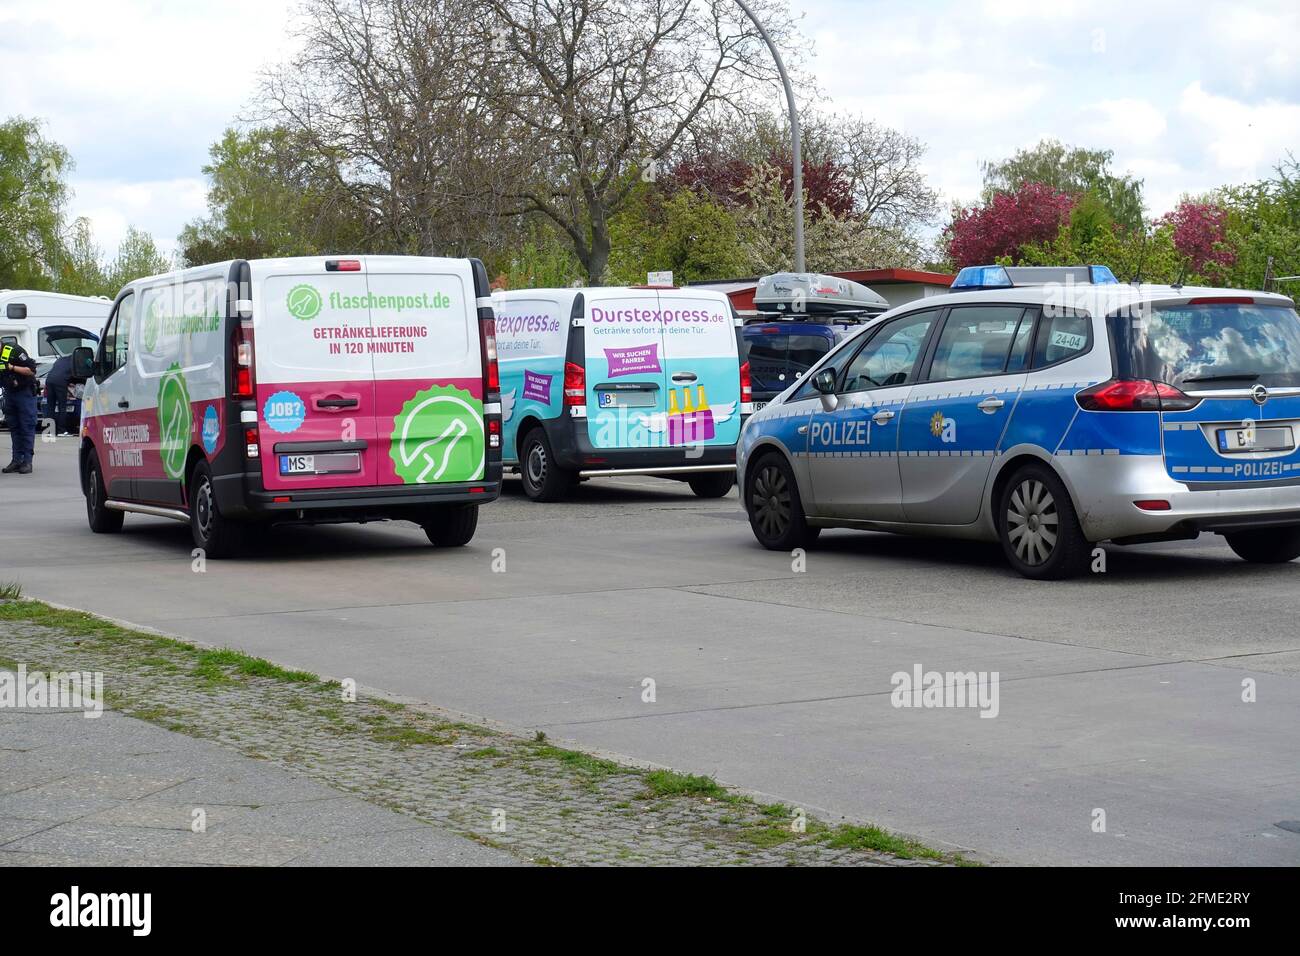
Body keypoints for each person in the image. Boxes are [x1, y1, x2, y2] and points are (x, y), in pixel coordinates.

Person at [1, 340, 39, 474]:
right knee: (14, 428)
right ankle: (16, 460)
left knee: (26, 426)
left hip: (24, 393)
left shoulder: (14, 350)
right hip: (9, 393)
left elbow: (31, 370)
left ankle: (27, 461)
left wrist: (11, 367)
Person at [44, 353, 74, 436]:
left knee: (50, 406)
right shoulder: (75, 361)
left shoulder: (60, 360)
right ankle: (62, 431)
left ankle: (50, 431)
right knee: (62, 406)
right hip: (60, 381)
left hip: (49, 380)